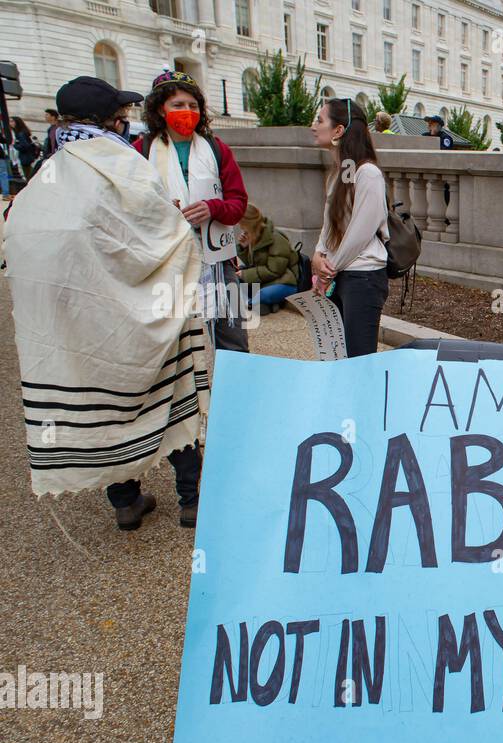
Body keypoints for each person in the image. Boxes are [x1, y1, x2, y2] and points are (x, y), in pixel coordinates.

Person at [6, 75, 208, 530]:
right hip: (139, 310)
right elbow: (164, 232)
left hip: (79, 321)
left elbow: (22, 241)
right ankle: (192, 498)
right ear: (112, 121)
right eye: (121, 115)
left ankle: (126, 502)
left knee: (104, 404)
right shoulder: (123, 164)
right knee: (170, 393)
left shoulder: (45, 174)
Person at [136, 69, 251, 352]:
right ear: (160, 110)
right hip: (164, 259)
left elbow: (238, 204)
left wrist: (212, 207)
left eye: (193, 105)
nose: (187, 111)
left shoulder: (216, 148)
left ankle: (238, 389)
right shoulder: (142, 149)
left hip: (219, 259)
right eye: (178, 105)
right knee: (171, 337)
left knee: (232, 333)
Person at [310, 97, 390, 357]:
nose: (313, 126)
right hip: (341, 273)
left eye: (320, 120)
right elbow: (330, 223)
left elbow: (360, 233)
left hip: (363, 277)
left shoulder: (368, 174)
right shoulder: (340, 172)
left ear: (338, 131)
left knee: (359, 360)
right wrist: (318, 254)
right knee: (337, 357)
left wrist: (327, 269)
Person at [236, 203, 300, 314]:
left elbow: (275, 270)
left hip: (284, 283)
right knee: (236, 281)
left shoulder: (276, 238)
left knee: (261, 294)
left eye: (243, 227)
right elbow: (252, 265)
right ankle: (265, 304)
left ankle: (253, 303)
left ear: (250, 224)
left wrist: (245, 274)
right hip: (266, 281)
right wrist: (244, 247)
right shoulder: (255, 235)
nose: (241, 230)